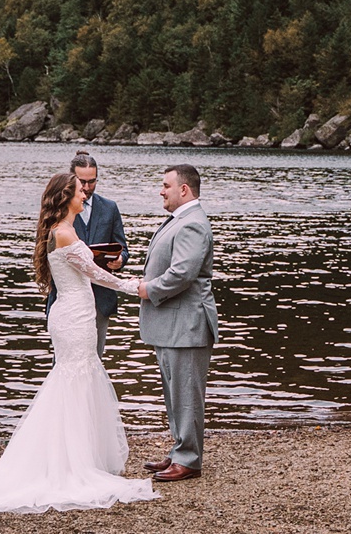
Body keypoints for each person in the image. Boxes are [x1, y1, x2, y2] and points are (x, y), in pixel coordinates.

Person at [0, 172, 158, 513]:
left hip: (73, 313)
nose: (85, 194)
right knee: (74, 380)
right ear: (66, 198)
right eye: (80, 190)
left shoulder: (64, 231)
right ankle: (69, 464)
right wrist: (133, 286)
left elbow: (84, 270)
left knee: (77, 378)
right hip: (74, 318)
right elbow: (96, 275)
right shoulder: (63, 233)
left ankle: (77, 457)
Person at [134, 164, 216, 482]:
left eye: (165, 185)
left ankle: (190, 460)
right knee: (174, 394)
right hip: (172, 325)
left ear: (184, 189)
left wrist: (148, 289)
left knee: (187, 394)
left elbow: (183, 273)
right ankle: (180, 450)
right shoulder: (180, 220)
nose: (161, 190)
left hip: (188, 324)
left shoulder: (193, 223)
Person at [48, 151, 126, 355]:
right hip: (69, 302)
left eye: (92, 181)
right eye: (82, 182)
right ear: (71, 179)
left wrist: (120, 259)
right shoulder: (57, 214)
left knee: (94, 360)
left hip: (100, 299)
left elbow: (122, 246)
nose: (87, 188)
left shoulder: (109, 208)